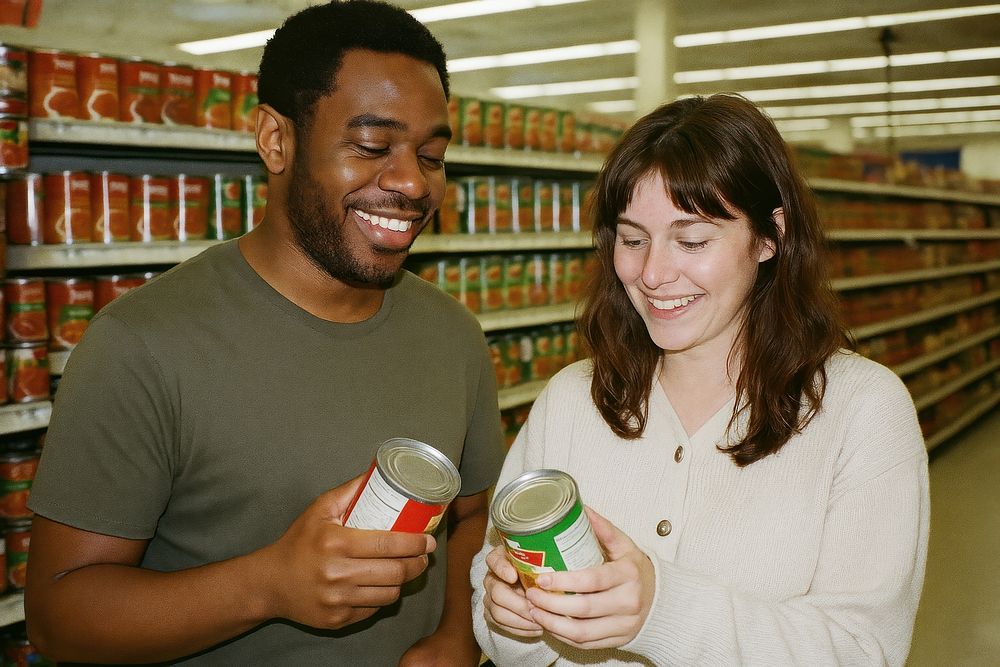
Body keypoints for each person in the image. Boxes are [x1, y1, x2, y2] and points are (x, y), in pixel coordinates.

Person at [25, 1, 504, 664]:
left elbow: (473, 517)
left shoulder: (454, 336)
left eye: (432, 155)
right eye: (372, 147)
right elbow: (58, 617)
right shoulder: (139, 345)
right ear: (276, 140)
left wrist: (454, 639)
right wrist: (269, 585)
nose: (411, 183)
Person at [471, 93, 929, 666]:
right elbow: (494, 606)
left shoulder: (862, 410)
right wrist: (510, 617)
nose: (653, 273)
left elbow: (862, 652)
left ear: (770, 236)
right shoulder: (570, 400)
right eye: (632, 240)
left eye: (692, 241)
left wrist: (660, 612)